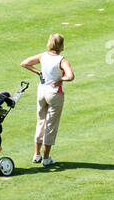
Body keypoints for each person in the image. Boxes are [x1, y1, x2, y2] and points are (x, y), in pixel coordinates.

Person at [20, 33, 74, 167]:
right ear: (61, 45)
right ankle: (46, 158)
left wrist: (38, 72)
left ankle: (36, 155)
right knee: (51, 126)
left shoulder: (43, 56)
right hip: (55, 94)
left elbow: (24, 63)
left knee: (40, 122)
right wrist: (60, 79)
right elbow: (70, 76)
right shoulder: (62, 60)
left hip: (41, 92)